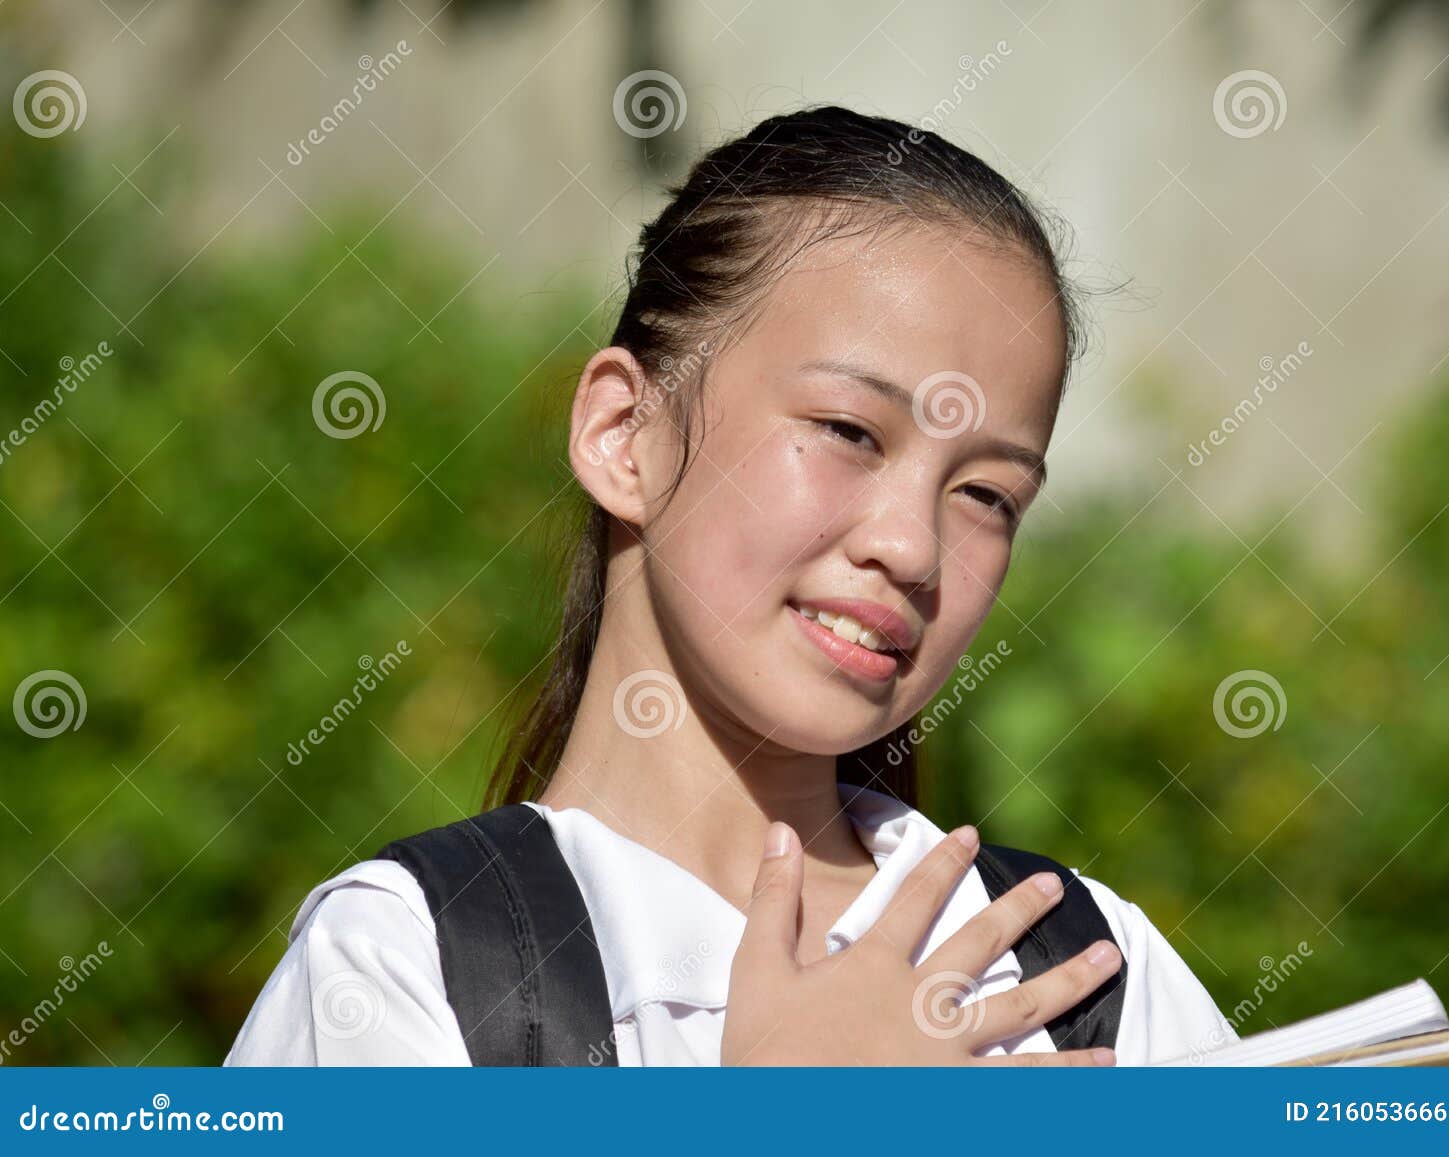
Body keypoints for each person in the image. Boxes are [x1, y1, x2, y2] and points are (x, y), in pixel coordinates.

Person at [225, 104, 1237, 1067]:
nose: (913, 547)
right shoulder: (412, 967)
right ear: (624, 434)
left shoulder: (1088, 974)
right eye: (849, 431)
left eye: (985, 494)